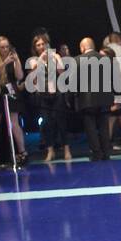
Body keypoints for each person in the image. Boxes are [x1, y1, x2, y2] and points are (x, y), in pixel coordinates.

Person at [25, 34, 69, 162]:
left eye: (42, 44)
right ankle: (50, 151)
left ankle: (66, 149)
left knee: (61, 121)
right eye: (38, 45)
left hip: (57, 92)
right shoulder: (33, 60)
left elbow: (62, 73)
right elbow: (31, 78)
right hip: (42, 94)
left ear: (47, 44)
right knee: (47, 123)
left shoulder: (55, 56)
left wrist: (54, 59)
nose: (41, 47)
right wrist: (40, 61)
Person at [0, 36, 28, 165]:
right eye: (2, 47)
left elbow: (19, 76)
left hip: (11, 91)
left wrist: (16, 61)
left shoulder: (13, 56)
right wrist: (4, 62)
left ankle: (22, 152)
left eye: (6, 46)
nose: (5, 49)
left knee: (14, 123)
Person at [73, 37, 115, 161]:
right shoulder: (106, 59)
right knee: (104, 126)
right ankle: (106, 153)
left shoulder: (76, 60)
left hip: (86, 100)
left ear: (82, 48)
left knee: (90, 127)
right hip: (105, 98)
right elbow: (118, 79)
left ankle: (97, 153)